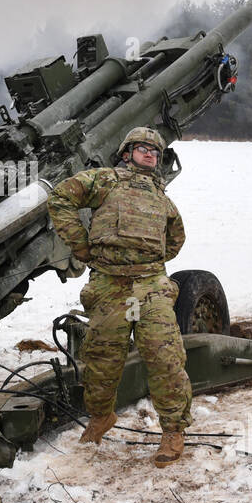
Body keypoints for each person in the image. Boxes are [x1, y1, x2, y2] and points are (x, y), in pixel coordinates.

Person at [47, 126, 191, 468]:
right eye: (143, 148)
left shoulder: (161, 197)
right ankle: (100, 417)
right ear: (127, 152)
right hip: (109, 286)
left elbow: (176, 239)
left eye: (155, 152)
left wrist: (146, 261)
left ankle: (173, 430)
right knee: (100, 359)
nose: (151, 155)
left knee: (165, 357)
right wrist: (82, 245)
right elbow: (60, 198)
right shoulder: (105, 180)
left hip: (151, 287)